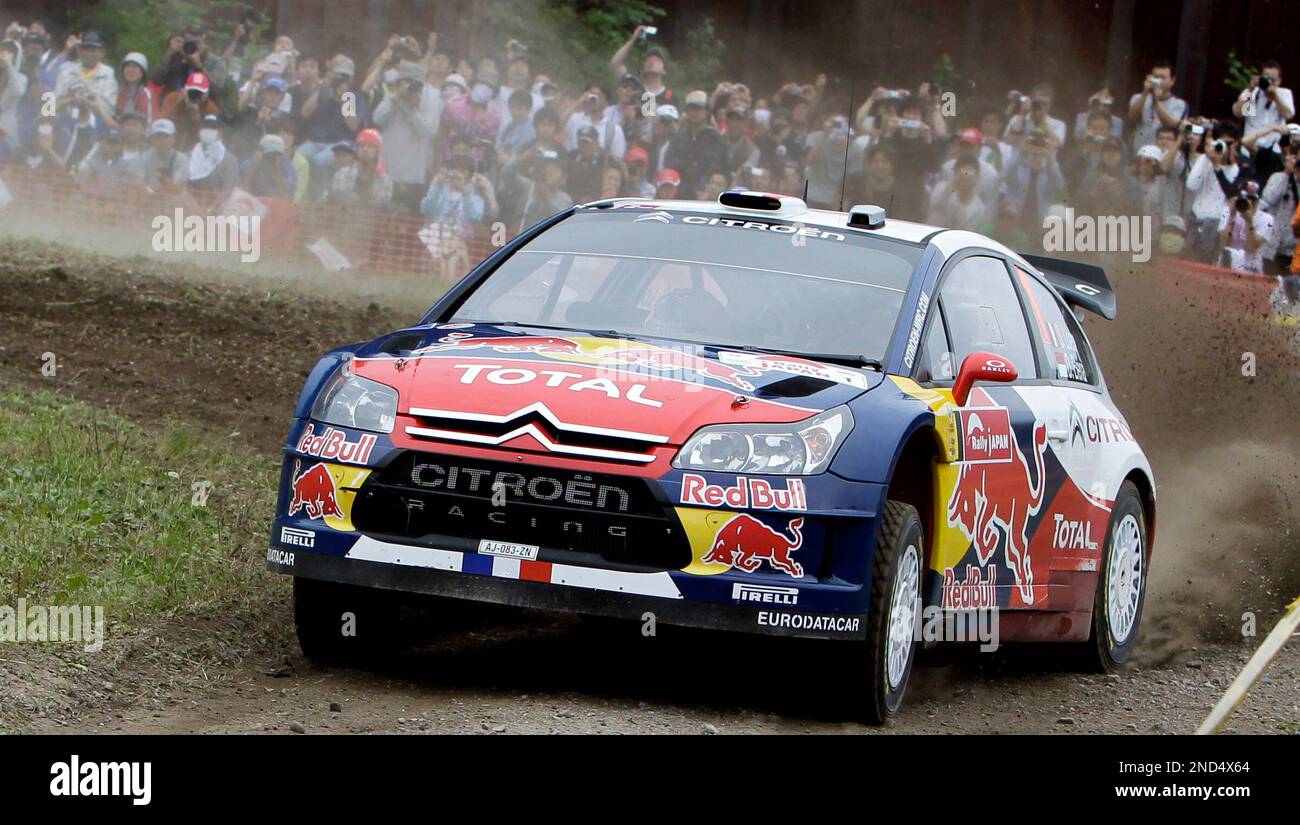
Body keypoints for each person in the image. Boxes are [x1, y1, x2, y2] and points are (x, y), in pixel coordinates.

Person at [372, 60, 440, 213]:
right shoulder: (391, 97)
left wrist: (411, 109)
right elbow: (377, 119)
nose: (409, 87)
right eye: (405, 81)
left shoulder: (430, 100)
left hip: (412, 174)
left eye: (413, 83)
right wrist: (396, 99)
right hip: (387, 172)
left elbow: (427, 131)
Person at [1186, 122, 1252, 262]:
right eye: (1221, 142)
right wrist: (1207, 158)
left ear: (1236, 143)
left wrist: (1217, 166)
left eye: (1229, 143)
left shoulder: (1241, 166)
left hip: (1219, 226)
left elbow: (1232, 194)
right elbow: (1191, 185)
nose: (1225, 147)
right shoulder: (1205, 160)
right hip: (1197, 219)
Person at [1233, 59, 1294, 180]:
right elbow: (1238, 113)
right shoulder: (1252, 93)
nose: (1269, 82)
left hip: (1272, 152)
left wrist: (1274, 96)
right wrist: (1250, 89)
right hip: (1249, 150)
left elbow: (1288, 115)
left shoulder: (1284, 93)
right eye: (1266, 78)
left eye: (1272, 79)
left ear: (1279, 81)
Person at [663, 90, 724, 198]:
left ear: (707, 111)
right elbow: (668, 164)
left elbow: (719, 169)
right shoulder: (678, 138)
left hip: (706, 196)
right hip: (678, 194)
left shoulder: (715, 139)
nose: (695, 112)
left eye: (699, 108)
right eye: (691, 108)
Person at [1127, 61, 1187, 153]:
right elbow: (1132, 117)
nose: (1158, 81)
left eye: (1163, 78)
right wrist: (1145, 92)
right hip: (1139, 153)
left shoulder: (1179, 104)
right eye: (1155, 77)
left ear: (1172, 81)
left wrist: (1157, 100)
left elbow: (1172, 125)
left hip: (1163, 155)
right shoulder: (1138, 97)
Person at [1217, 181, 1273, 272]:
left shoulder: (1266, 219)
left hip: (1250, 268)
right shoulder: (1228, 211)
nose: (1249, 203)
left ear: (1258, 201)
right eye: (1246, 199)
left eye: (1253, 200)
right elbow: (1223, 243)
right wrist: (1232, 215)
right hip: (1227, 264)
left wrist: (1249, 222)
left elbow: (1251, 247)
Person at [157, 71, 219, 151]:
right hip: (170, 145)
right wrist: (177, 105)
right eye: (192, 91)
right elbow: (161, 123)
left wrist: (196, 117)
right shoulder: (172, 98)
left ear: (207, 93)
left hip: (195, 149)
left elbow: (208, 138)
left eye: (200, 93)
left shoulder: (211, 109)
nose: (195, 96)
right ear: (185, 90)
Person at [421, 154, 485, 224]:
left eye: (463, 171)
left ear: (470, 175)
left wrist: (467, 195)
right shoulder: (440, 190)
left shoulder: (475, 197)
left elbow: (474, 218)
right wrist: (436, 188)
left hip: (461, 234)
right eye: (456, 169)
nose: (458, 173)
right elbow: (426, 210)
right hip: (436, 232)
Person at [927, 156, 986, 230]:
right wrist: (953, 187)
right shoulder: (942, 188)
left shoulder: (979, 208)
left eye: (970, 174)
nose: (966, 177)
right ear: (956, 173)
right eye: (964, 173)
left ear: (978, 176)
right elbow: (934, 206)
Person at [186, 113, 238, 197]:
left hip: (215, 208)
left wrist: (213, 209)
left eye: (212, 128)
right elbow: (180, 191)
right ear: (199, 131)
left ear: (220, 133)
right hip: (187, 207)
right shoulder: (187, 157)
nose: (208, 130)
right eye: (205, 127)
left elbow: (228, 191)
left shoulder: (229, 160)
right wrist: (181, 210)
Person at [138, 117, 188, 193]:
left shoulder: (181, 159)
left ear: (174, 138)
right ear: (152, 139)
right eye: (158, 137)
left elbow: (176, 186)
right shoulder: (144, 157)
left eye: (166, 136)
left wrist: (161, 178)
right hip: (148, 199)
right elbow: (139, 181)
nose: (163, 141)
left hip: (173, 201)